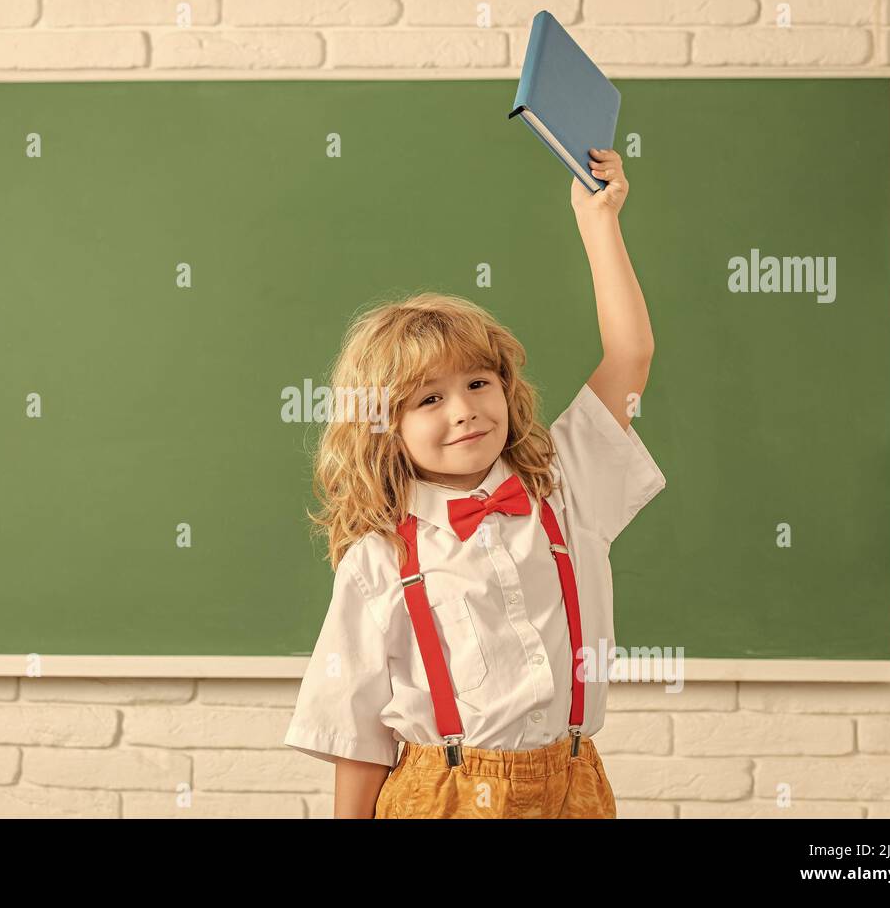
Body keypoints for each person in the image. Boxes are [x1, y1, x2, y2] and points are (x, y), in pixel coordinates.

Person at [284, 149, 665, 818]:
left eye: (478, 382)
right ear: (384, 424)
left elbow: (630, 353)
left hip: (573, 784)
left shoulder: (564, 482)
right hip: (442, 796)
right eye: (428, 399)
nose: (463, 409)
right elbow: (357, 730)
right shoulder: (381, 557)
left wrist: (598, 220)